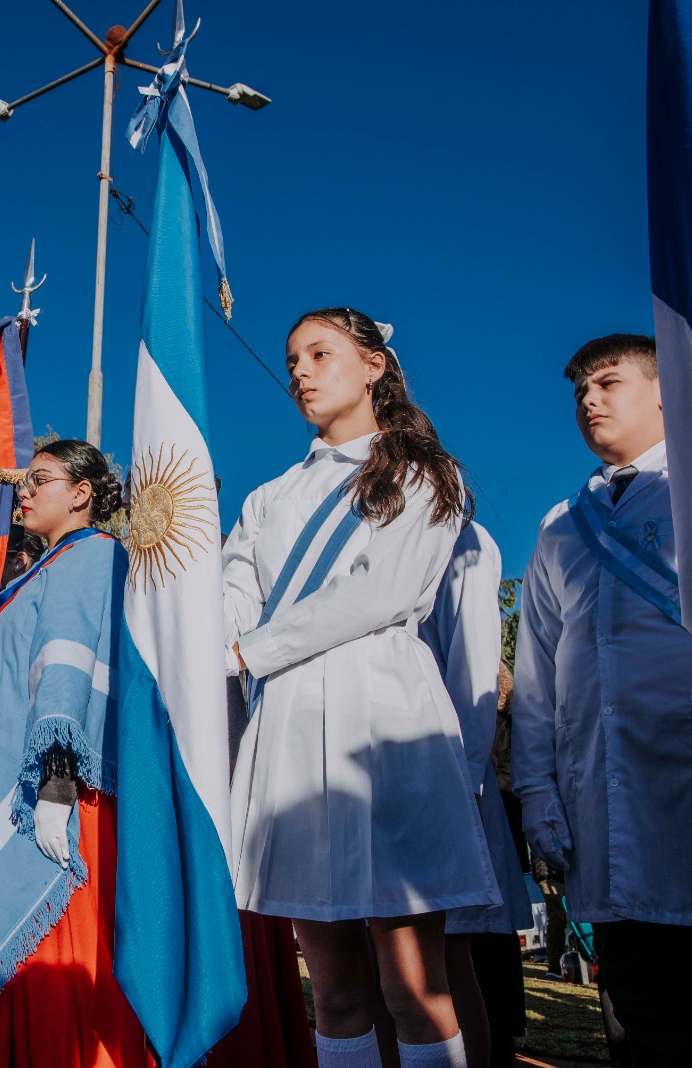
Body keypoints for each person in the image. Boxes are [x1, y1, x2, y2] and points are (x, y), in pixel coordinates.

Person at [223, 308, 494, 1068]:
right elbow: (229, 596)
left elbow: (381, 593)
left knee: (414, 986)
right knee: (335, 991)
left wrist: (250, 649)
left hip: (383, 726)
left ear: (374, 364)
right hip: (285, 735)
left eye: (319, 353)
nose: (300, 371)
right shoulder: (268, 496)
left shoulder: (421, 471)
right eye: (292, 360)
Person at [512, 334, 692, 1068]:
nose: (589, 401)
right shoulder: (561, 527)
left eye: (608, 382)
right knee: (641, 1021)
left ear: (663, 392)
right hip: (606, 804)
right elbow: (537, 671)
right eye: (580, 390)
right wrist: (536, 788)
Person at [0, 439, 151, 1068]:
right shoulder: (45, 564)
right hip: (14, 780)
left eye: (40, 481)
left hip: (54, 794)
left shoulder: (92, 555)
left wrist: (55, 786)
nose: (25, 493)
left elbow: (64, 668)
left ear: (82, 493)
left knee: (56, 961)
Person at [418, 521, 530, 1068]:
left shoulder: (462, 540)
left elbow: (474, 675)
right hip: (395, 788)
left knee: (456, 965)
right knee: (404, 975)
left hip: (448, 785)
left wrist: (456, 786)